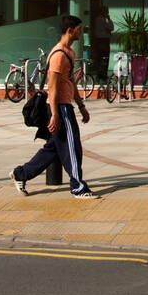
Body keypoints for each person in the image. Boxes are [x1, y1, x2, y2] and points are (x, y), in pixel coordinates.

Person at [11, 14, 98, 200]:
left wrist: (81, 105)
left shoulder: (70, 52)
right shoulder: (58, 55)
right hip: (59, 108)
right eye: (79, 30)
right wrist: (55, 114)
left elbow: (70, 81)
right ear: (70, 30)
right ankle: (78, 187)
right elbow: (53, 86)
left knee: (52, 149)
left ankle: (20, 174)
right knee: (72, 147)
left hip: (66, 106)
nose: (80, 33)